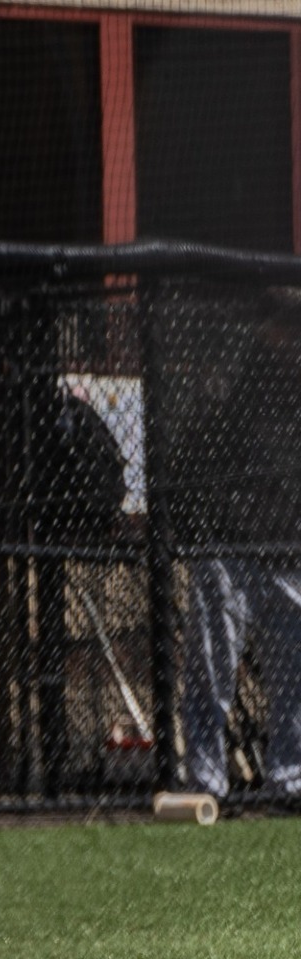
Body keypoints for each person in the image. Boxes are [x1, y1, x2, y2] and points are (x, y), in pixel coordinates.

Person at [172, 290, 301, 810]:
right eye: (285, 330)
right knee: (210, 668)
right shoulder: (236, 380)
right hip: (230, 547)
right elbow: (194, 454)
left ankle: (290, 779)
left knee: (293, 674)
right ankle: (205, 780)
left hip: (288, 547)